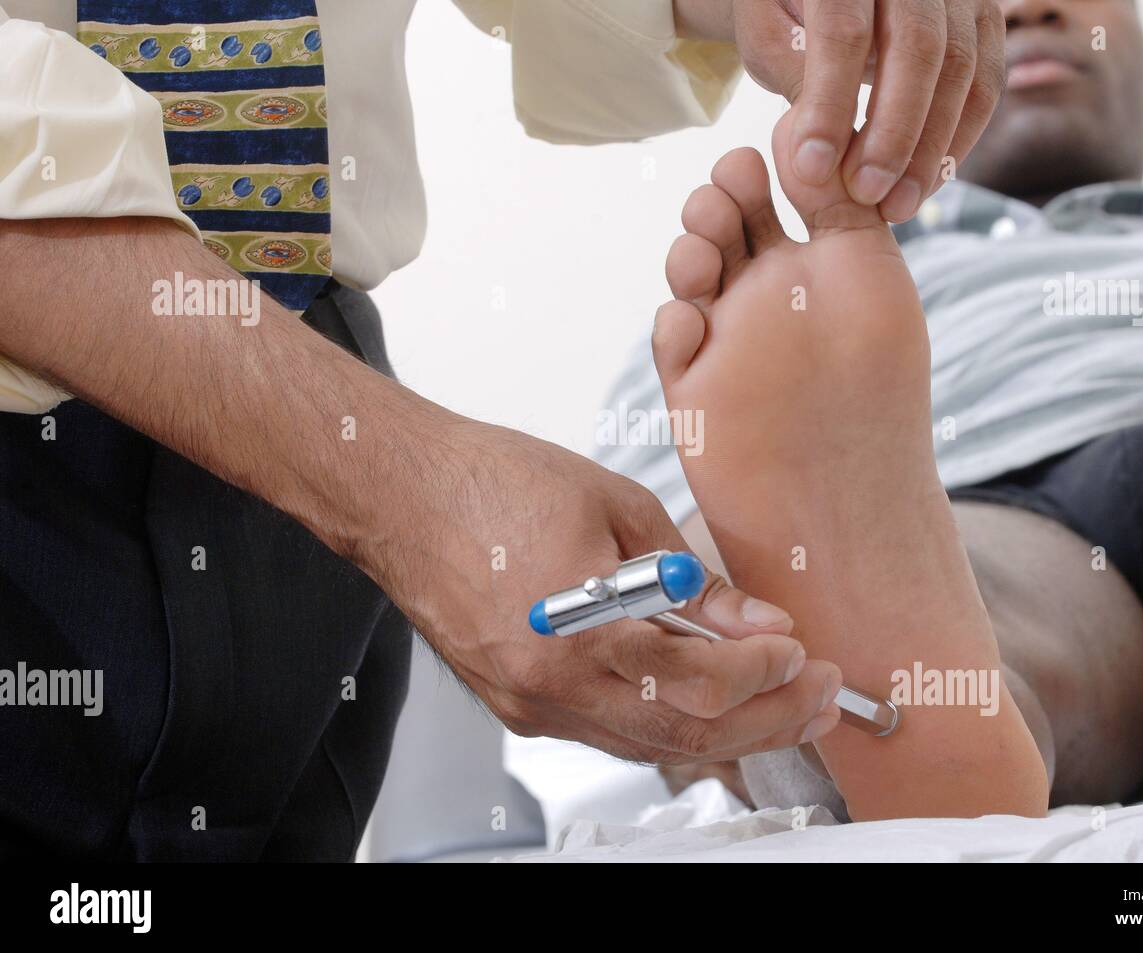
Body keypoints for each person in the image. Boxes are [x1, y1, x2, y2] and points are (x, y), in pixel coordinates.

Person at [0, 0, 1006, 859]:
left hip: (304, 403)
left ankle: (873, 717)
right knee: (1021, 582)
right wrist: (404, 488)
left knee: (1121, 527)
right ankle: (941, 736)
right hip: (114, 433)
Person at [601, 0, 1143, 820]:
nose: (1028, 9)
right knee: (974, 629)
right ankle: (920, 708)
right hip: (965, 505)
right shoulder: (788, 303)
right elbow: (640, 544)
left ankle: (866, 704)